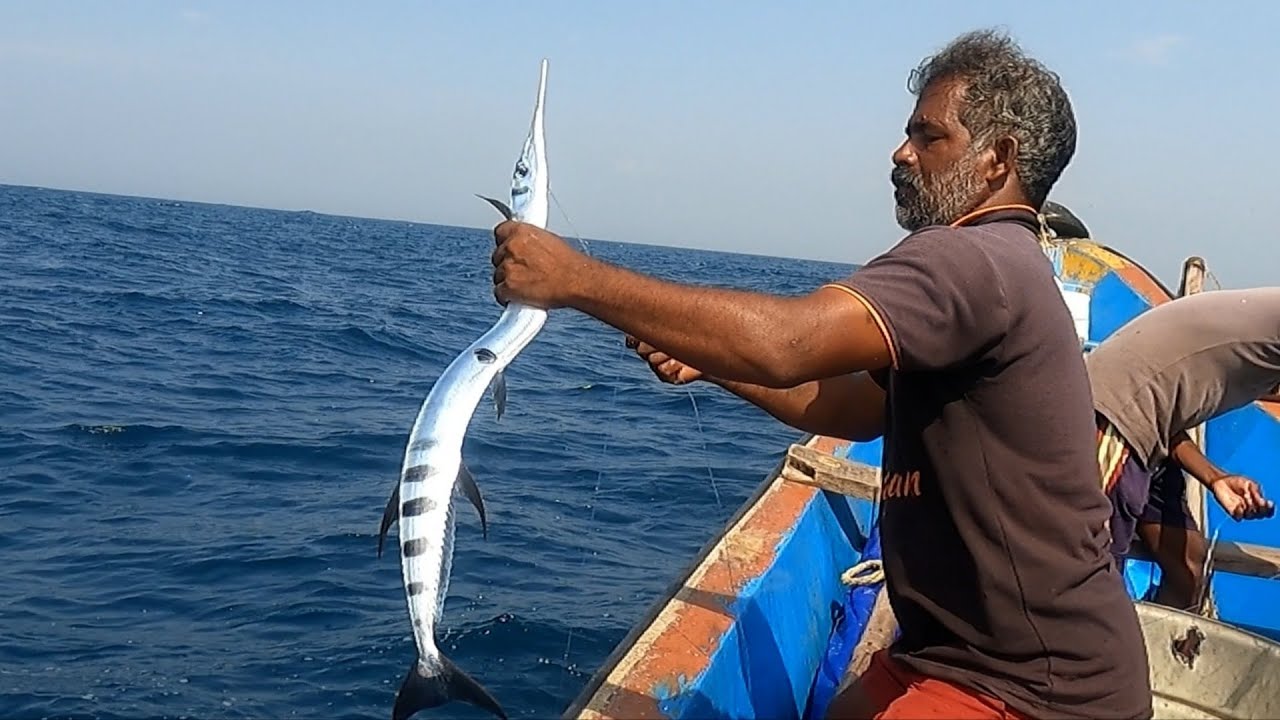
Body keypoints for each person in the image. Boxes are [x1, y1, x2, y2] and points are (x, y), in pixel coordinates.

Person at [490, 28, 1152, 720]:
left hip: (1036, 691)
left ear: (998, 160)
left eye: (929, 137)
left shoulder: (969, 261)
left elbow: (789, 343)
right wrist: (713, 362)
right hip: (952, 653)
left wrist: (574, 279)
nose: (901, 153)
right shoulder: (1005, 265)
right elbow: (852, 409)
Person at [1090, 288, 1279, 611]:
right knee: (1091, 571)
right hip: (1109, 416)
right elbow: (1138, 389)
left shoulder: (1259, 344)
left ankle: (1154, 652)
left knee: (1188, 571)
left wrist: (1216, 478)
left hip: (1153, 430)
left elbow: (1165, 405)